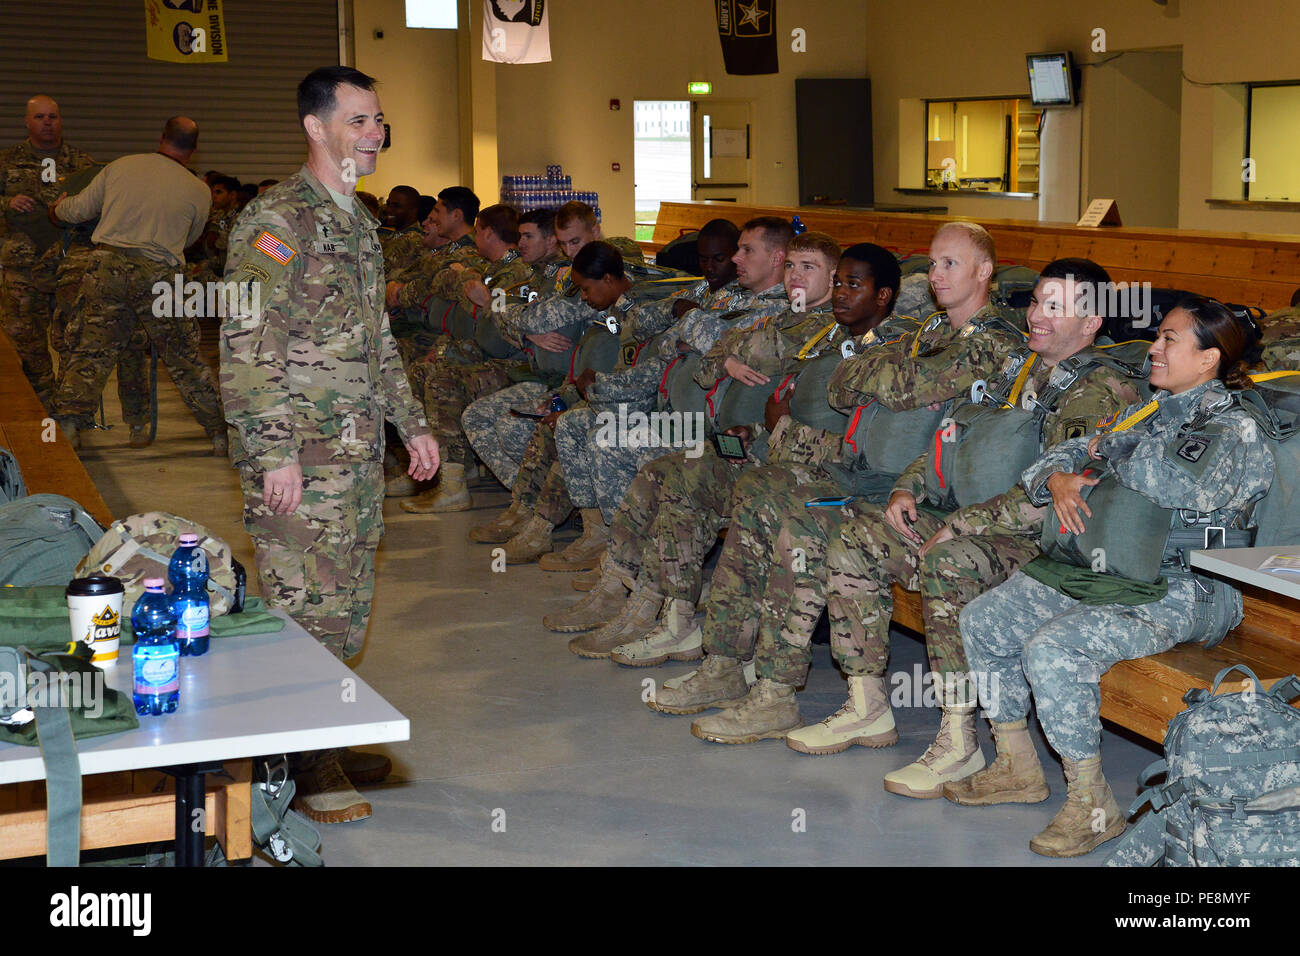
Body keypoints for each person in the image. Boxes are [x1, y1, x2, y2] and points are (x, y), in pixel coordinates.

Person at [647, 222, 1022, 724]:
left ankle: (777, 689)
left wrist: (881, 375)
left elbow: (913, 386)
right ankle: (725, 661)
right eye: (931, 263)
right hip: (869, 476)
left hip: (922, 498)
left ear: (985, 271)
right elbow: (843, 384)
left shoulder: (996, 341)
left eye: (950, 263)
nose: (935, 274)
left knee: (801, 529)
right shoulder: (930, 330)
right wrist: (881, 375)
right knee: (759, 495)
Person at [793, 260, 1140, 799]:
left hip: (1040, 542)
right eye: (1035, 302)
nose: (1038, 316)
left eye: (1056, 306)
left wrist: (961, 524)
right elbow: (949, 431)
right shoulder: (1015, 367)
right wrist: (909, 486)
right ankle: (868, 707)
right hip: (969, 520)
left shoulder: (1099, 391)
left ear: (1092, 321)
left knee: (948, 564)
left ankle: (959, 738)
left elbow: (1058, 493)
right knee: (857, 540)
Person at [949, 296, 1272, 858]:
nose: (1154, 347)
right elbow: (1049, 461)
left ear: (1209, 359)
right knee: (985, 619)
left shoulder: (1231, 427)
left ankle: (1092, 804)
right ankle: (1018, 766)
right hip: (1112, 575)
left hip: (1185, 588)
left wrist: (1104, 452)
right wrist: (1060, 480)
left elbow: (1177, 484)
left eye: (1171, 339)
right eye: (1159, 336)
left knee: (1055, 649)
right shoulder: (1151, 411)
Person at [219, 66, 439, 824]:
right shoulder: (279, 222)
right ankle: (299, 764)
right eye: (358, 121)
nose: (374, 135)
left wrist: (411, 423)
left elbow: (377, 341)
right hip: (300, 456)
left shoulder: (357, 222)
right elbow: (246, 344)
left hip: (351, 455)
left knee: (343, 606)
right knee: (303, 606)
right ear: (316, 127)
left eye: (379, 121)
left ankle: (320, 737)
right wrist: (273, 449)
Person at [473, 218, 745, 553]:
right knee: (565, 422)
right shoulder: (676, 296)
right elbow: (654, 336)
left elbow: (651, 364)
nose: (569, 252)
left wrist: (593, 390)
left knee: (586, 429)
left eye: (574, 242)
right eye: (703, 259)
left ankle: (608, 543)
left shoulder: (642, 295)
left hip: (674, 416)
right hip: (631, 399)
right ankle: (552, 520)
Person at [48, 117, 226, 452]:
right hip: (161, 274)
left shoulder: (122, 166)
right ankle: (219, 433)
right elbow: (191, 237)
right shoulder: (199, 189)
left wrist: (56, 208)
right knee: (183, 356)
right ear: (195, 149)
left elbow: (78, 210)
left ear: (162, 138)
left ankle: (70, 425)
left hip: (108, 267)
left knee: (90, 350)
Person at [0, 94, 96, 410]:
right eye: (39, 117)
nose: (47, 123)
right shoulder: (7, 161)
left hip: (69, 264)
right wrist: (6, 203)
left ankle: (70, 406)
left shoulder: (82, 163)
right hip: (23, 265)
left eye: (52, 116)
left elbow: (100, 209)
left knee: (74, 334)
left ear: (61, 120)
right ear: (27, 122)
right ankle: (43, 398)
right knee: (23, 334)